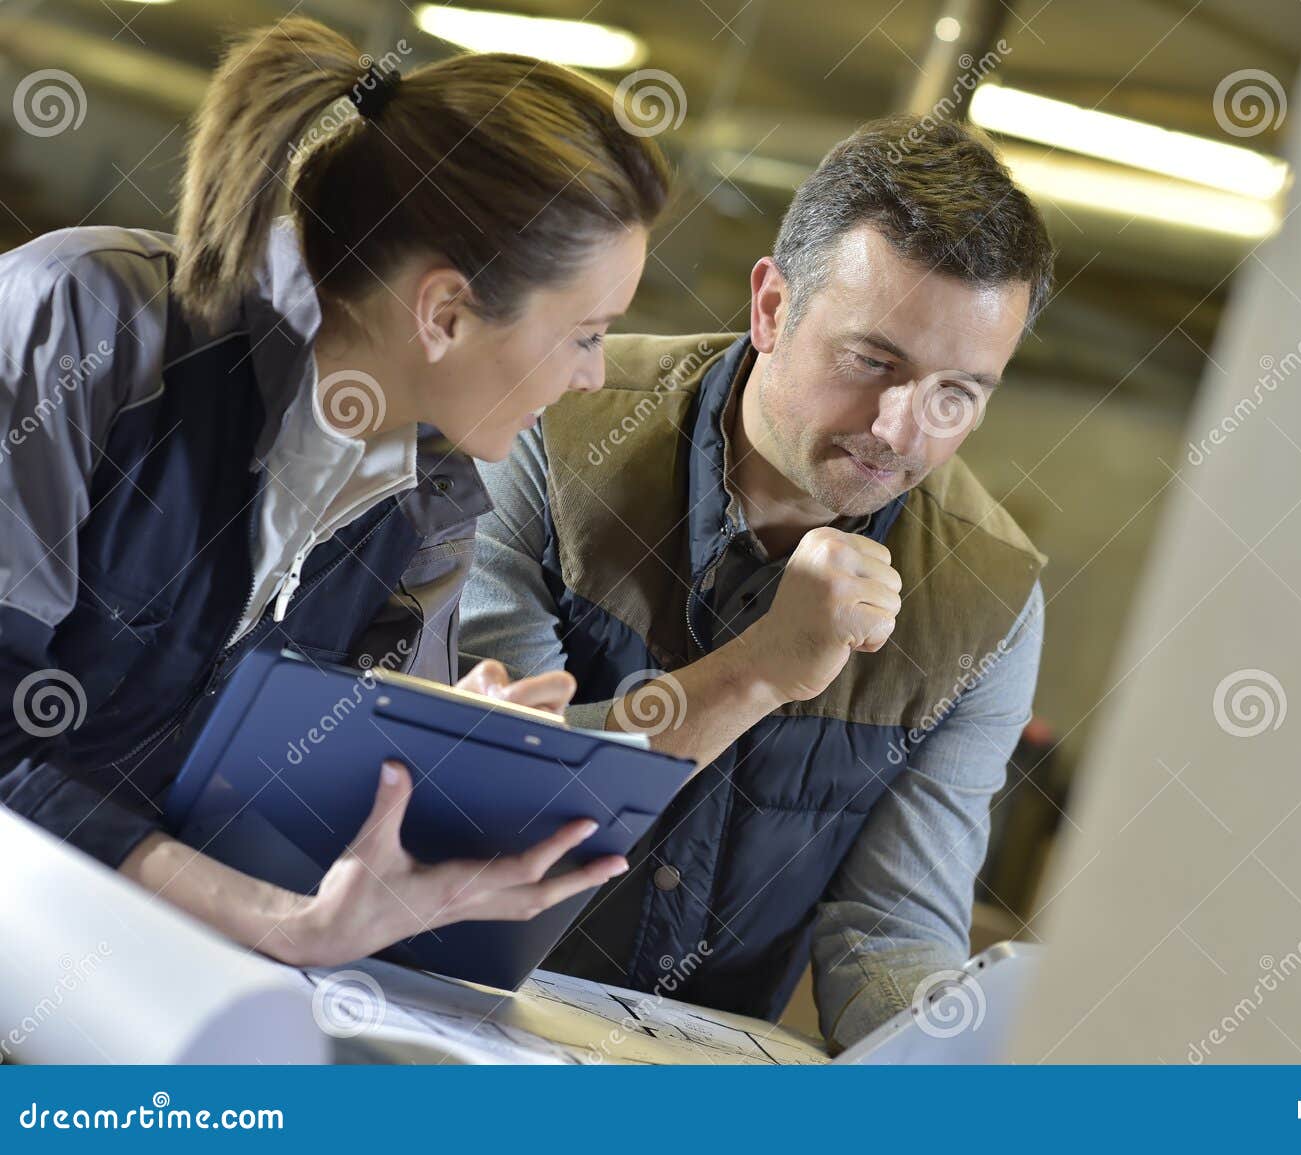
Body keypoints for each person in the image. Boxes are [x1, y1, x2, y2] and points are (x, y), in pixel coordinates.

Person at [0, 18, 670, 967]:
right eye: (587, 333)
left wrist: (429, 740)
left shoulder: (429, 500)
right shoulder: (85, 325)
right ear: (443, 312)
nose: (594, 376)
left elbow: (248, 800)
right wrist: (269, 918)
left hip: (97, 982)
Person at [460, 116, 1052, 1050]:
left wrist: (942, 1071)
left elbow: (890, 930)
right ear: (772, 307)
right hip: (453, 1021)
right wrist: (761, 670)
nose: (901, 430)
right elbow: (495, 802)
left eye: (958, 394)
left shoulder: (991, 603)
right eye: (872, 362)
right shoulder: (554, 429)